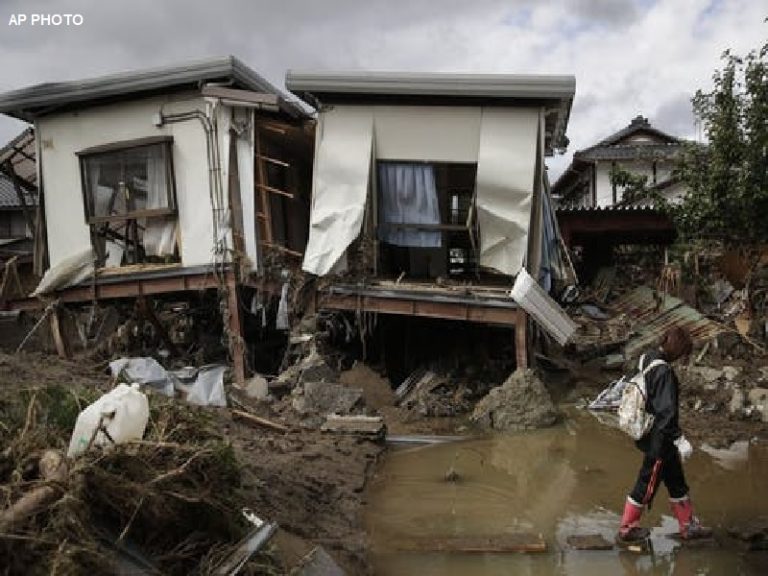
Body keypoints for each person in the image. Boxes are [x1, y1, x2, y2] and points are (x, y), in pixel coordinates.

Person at [617, 326, 712, 544]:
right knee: (647, 482)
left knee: (677, 482)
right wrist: (680, 439)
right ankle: (627, 528)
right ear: (677, 350)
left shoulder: (647, 358)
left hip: (654, 434)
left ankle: (688, 526)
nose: (680, 358)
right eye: (682, 353)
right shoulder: (664, 372)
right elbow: (666, 412)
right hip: (659, 440)